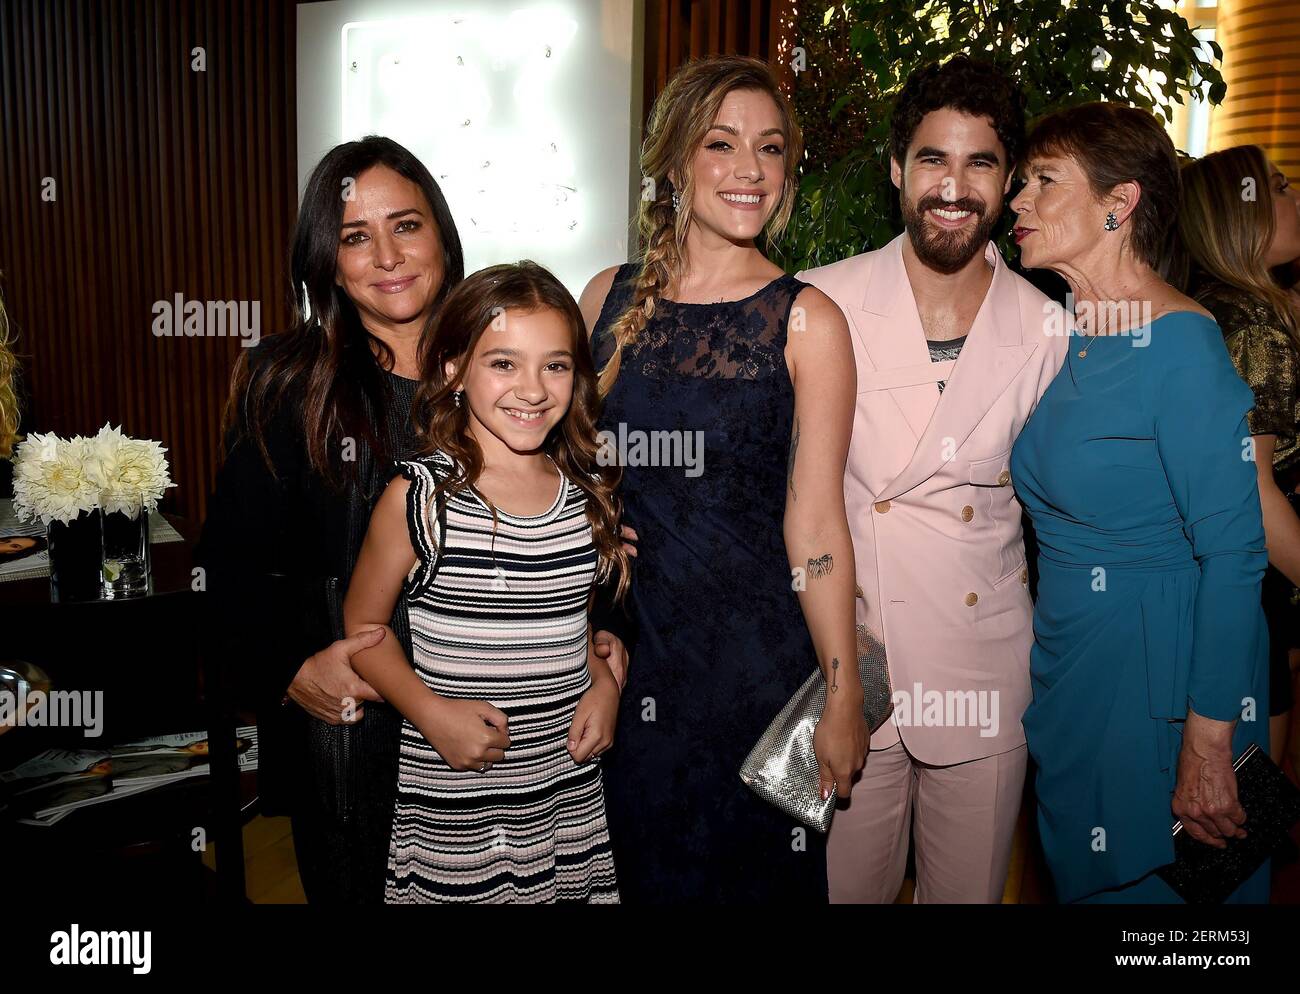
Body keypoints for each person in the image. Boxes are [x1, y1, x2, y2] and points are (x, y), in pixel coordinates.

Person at [581, 54, 866, 904]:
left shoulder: (808, 320)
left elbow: (815, 528)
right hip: (635, 662)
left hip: (758, 671)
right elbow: (563, 471)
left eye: (771, 149)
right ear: (674, 162)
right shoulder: (604, 298)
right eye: (721, 143)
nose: (750, 170)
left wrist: (841, 694)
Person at [798, 56, 1068, 903]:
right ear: (895, 170)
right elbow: (783, 498)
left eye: (980, 163)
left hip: (982, 675)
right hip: (851, 666)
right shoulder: (818, 302)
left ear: (1007, 179)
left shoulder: (1049, 330)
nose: (953, 187)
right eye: (932, 160)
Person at [1009, 102, 1270, 903]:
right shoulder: (1071, 333)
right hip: (1077, 680)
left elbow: (1234, 554)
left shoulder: (1184, 346)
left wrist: (1208, 744)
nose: (1016, 201)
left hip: (1165, 697)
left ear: (1118, 205)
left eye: (1043, 182)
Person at [343, 261, 628, 903]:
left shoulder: (585, 496)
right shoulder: (419, 498)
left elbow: (565, 620)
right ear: (451, 369)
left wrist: (604, 680)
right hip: (458, 809)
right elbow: (362, 630)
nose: (532, 388)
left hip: (563, 796)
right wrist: (430, 712)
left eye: (555, 365)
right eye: (503, 363)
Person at [1174, 145, 1300, 781]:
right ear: (1238, 215)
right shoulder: (1252, 322)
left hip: (1220, 579)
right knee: (1243, 809)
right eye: (1278, 188)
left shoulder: (1208, 308)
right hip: (1255, 581)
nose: (1294, 198)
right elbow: (1253, 488)